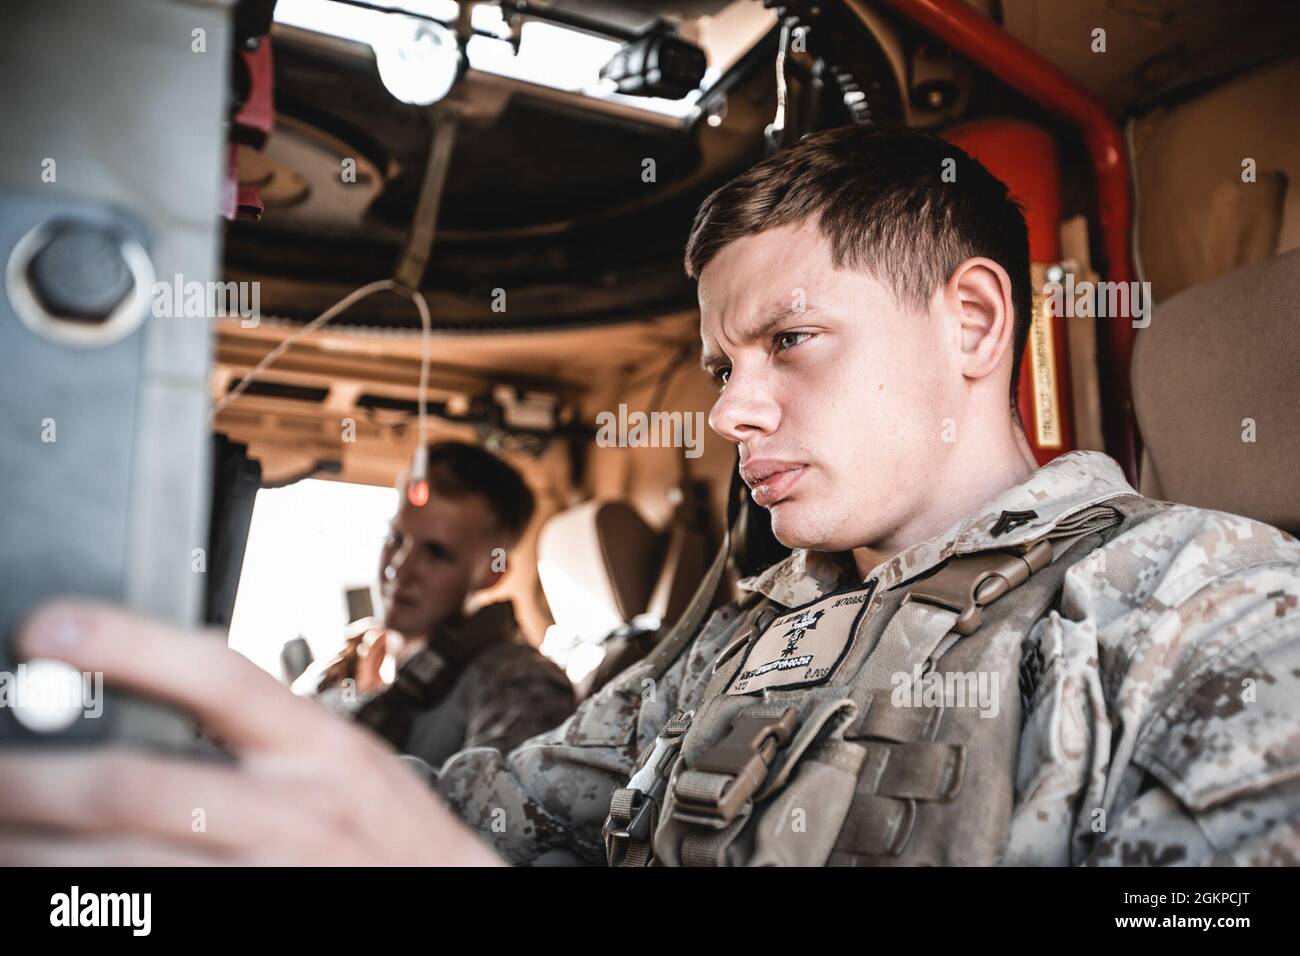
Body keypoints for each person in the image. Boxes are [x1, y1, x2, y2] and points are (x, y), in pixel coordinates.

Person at [3, 125, 1298, 867]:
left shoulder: (1212, 617)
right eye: (724, 364)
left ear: (970, 322)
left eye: (791, 341)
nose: (732, 408)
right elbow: (505, 812)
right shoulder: (753, 634)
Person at [295, 441, 575, 768]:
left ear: (489, 576)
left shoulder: (519, 687)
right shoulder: (351, 653)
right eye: (395, 538)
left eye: (436, 554)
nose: (399, 567)